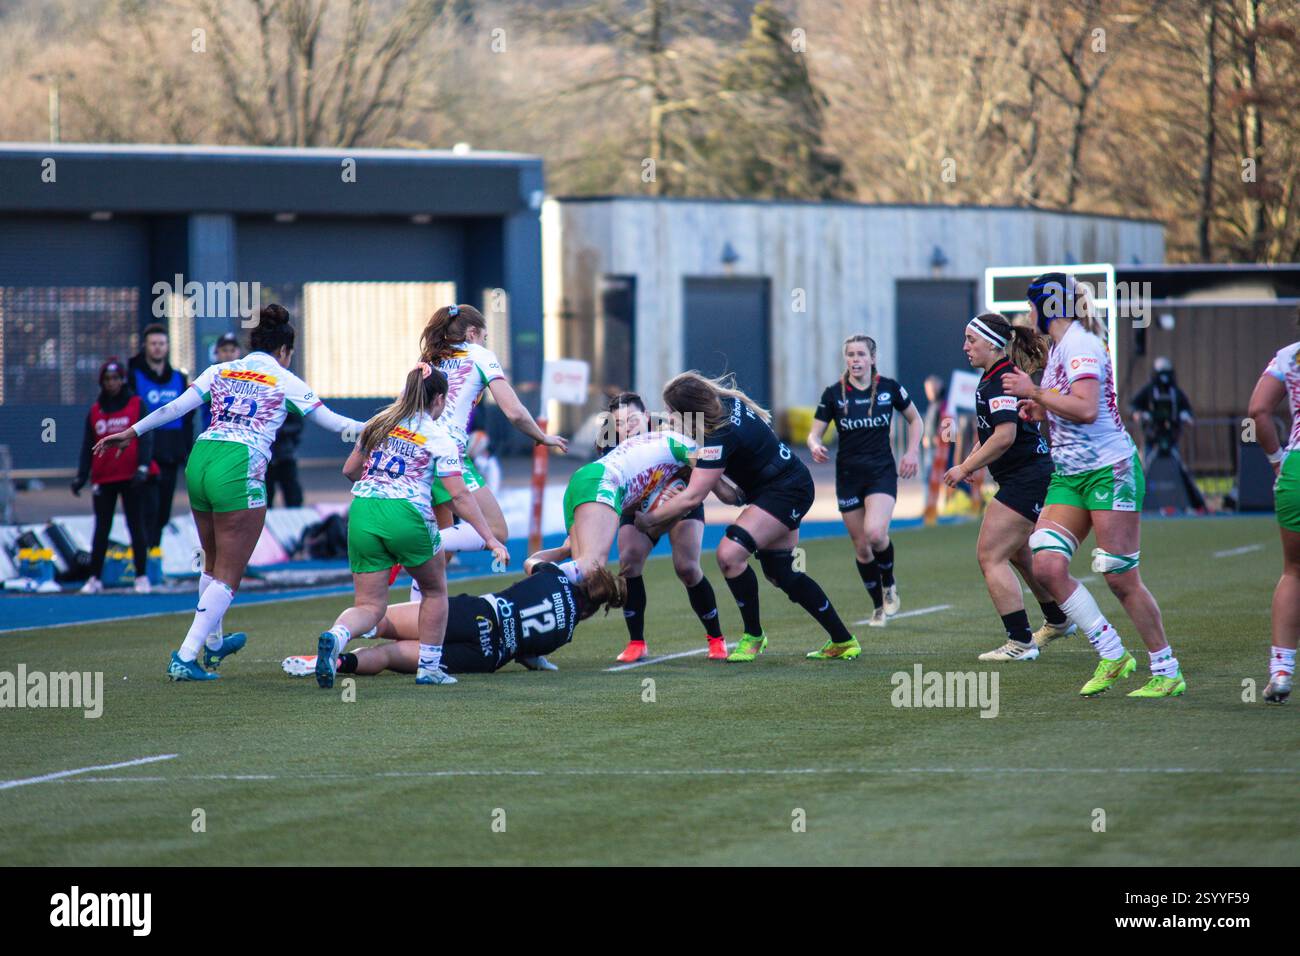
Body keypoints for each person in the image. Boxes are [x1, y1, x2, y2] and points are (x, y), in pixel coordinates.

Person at [94, 304, 364, 682]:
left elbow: (174, 408)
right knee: (229, 574)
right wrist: (385, 425)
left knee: (212, 561)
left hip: (201, 458)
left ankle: (215, 643)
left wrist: (131, 432)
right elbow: (337, 424)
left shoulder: (221, 370)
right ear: (285, 351)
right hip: (239, 464)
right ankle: (186, 656)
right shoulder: (284, 379)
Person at [1002, 273, 1186, 698]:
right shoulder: (1063, 347)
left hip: (1109, 470)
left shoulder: (1080, 344)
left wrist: (1035, 392)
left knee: (1121, 577)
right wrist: (1040, 409)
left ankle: (1167, 667)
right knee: (1046, 564)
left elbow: (1086, 410)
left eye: (1032, 305)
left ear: (1046, 307)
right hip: (1070, 474)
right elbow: (1078, 407)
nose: (1028, 314)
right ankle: (1113, 653)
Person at [638, 371, 860, 662]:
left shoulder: (719, 434)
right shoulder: (724, 403)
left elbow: (693, 497)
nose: (667, 416)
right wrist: (701, 462)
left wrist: (648, 521)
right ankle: (844, 641)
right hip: (784, 484)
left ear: (690, 409)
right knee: (782, 573)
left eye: (671, 411)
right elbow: (731, 495)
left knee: (729, 555)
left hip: (785, 490)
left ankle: (753, 636)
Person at [316, 363, 509, 690]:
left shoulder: (378, 422)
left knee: (369, 606)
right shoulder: (439, 436)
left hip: (362, 511)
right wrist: (490, 539)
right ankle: (430, 668)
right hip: (406, 514)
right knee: (434, 591)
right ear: (440, 399)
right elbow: (459, 495)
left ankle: (337, 636)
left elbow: (350, 469)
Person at [943, 314, 1076, 661]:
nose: (964, 347)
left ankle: (1020, 642)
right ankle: (1058, 619)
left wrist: (964, 467)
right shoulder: (991, 377)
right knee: (1019, 553)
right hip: (1028, 475)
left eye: (971, 340)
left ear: (992, 343)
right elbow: (992, 433)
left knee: (990, 555)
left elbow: (1005, 436)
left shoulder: (999, 379)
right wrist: (975, 460)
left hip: (1027, 478)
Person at [283, 562, 627, 678]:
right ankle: (340, 663)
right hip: (486, 656)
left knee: (382, 620)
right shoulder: (567, 632)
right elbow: (527, 654)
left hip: (476, 614)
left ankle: (338, 637)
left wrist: (561, 553)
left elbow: (532, 562)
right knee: (389, 656)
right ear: (594, 609)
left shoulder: (553, 576)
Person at [418, 304, 567, 556]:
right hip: (445, 452)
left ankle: (426, 593)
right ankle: (413, 545)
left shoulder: (429, 358)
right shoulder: (479, 354)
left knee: (442, 554)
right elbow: (515, 412)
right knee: (496, 530)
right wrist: (541, 437)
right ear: (472, 333)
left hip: (415, 447)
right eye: (485, 337)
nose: (485, 343)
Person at [597, 392, 728, 663]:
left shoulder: (673, 429)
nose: (627, 427)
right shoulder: (609, 445)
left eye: (633, 419)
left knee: (687, 568)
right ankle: (636, 643)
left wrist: (666, 507)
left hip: (680, 502)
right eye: (619, 423)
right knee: (628, 562)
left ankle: (716, 639)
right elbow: (616, 497)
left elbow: (699, 480)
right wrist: (646, 512)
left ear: (646, 417)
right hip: (639, 505)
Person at [807, 335, 922, 627]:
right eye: (850, 355)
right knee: (861, 547)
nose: (855, 360)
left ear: (872, 358)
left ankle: (889, 582)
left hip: (881, 473)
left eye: (860, 354)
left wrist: (911, 452)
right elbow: (814, 432)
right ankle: (878, 607)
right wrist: (814, 444)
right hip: (847, 477)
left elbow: (915, 420)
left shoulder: (889, 388)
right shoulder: (834, 394)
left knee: (874, 534)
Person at [1246, 324, 1300, 704]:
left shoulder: (1290, 354)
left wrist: (1276, 461)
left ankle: (1280, 670)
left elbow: (1258, 410)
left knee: (1294, 571)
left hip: (1297, 467)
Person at [72, 359, 155, 594]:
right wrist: (81, 476)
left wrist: (143, 467)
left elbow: (146, 437)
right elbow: (88, 445)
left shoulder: (136, 404)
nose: (112, 383)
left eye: (116, 378)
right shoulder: (95, 411)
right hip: (104, 478)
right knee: (101, 529)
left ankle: (141, 576)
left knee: (136, 526)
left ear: (123, 380)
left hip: (130, 476)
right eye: (107, 379)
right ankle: (95, 578)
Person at [129, 323, 193, 553]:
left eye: (161, 344)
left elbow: (187, 419)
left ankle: (154, 553)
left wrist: (187, 454)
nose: (157, 348)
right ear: (145, 346)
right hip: (145, 455)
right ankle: (144, 559)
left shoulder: (179, 378)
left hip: (170, 454)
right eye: (153, 344)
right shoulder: (133, 377)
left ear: (167, 347)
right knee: (147, 509)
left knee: (164, 511)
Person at [1130, 357, 1206, 510]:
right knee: (1145, 469)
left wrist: (1185, 416)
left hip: (1171, 437)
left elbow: (1186, 408)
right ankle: (1135, 503)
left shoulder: (1175, 392)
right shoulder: (1149, 390)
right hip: (1152, 438)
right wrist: (1140, 414)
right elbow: (1134, 405)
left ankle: (1195, 503)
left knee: (1179, 468)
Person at [266, 412, 304, 507]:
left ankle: (296, 516)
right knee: (267, 491)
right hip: (265, 455)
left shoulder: (288, 402)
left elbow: (297, 425)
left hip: (285, 455)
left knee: (291, 489)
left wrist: (278, 430)